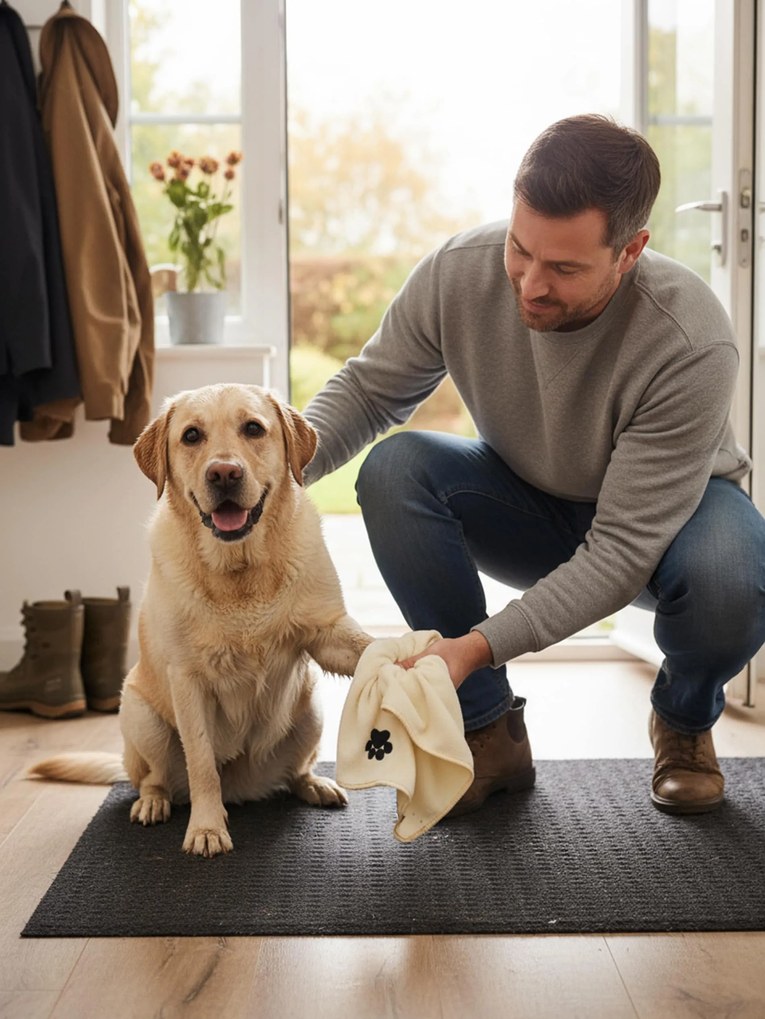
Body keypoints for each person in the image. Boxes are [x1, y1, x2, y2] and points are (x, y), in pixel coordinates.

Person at [303, 113, 765, 817]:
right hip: (526, 500)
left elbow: (617, 551)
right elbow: (370, 390)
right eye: (521, 250)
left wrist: (475, 647)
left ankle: (682, 720)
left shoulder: (688, 339)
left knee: (733, 578)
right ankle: (488, 734)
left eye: (563, 268)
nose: (528, 283)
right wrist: (264, 470)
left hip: (671, 525)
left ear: (630, 250)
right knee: (395, 470)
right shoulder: (460, 271)